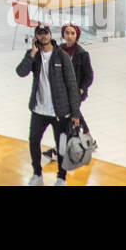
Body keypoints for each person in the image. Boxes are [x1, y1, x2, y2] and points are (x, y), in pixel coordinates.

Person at [16, 23, 81, 185]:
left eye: (46, 33)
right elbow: (21, 72)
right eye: (40, 34)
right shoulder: (33, 56)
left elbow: (72, 85)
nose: (43, 36)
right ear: (36, 37)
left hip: (59, 111)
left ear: (50, 35)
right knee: (33, 140)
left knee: (61, 146)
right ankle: (37, 174)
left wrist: (75, 113)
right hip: (39, 109)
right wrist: (31, 54)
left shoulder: (61, 56)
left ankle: (61, 177)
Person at [44, 23, 95, 164]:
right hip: (62, 91)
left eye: (72, 33)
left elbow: (89, 76)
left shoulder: (82, 54)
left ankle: (59, 150)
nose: (69, 36)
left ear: (77, 35)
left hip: (76, 92)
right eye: (67, 33)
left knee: (69, 118)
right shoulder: (59, 50)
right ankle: (89, 139)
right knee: (75, 114)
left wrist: (82, 89)